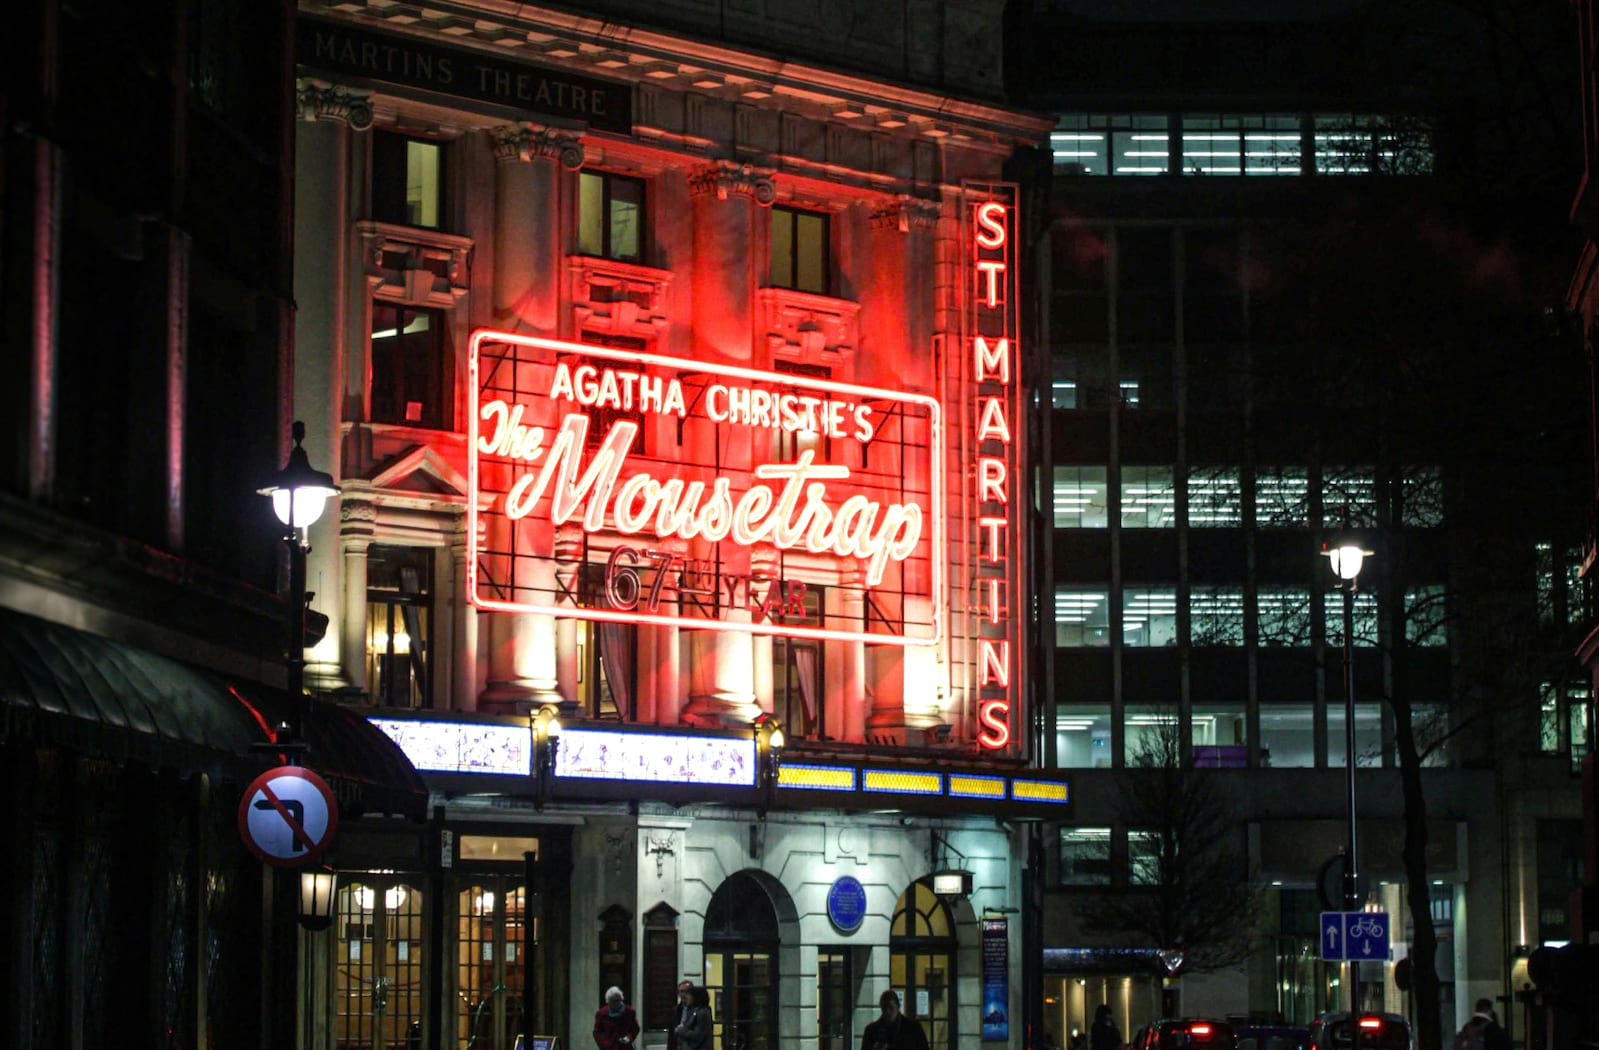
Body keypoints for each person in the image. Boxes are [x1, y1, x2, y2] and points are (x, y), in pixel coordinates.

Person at [861, 989, 929, 1050]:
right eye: (884, 1007)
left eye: (891, 1007)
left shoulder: (914, 1028)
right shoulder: (871, 1031)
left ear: (898, 1006)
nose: (887, 1011)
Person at [593, 986, 640, 1050]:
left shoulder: (629, 1012)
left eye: (618, 1000)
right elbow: (597, 1032)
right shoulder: (601, 1014)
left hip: (625, 1047)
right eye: (613, 1001)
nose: (617, 1003)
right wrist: (604, 1044)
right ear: (608, 1001)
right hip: (609, 1047)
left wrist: (629, 1038)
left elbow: (635, 1028)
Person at [674, 985, 714, 1050]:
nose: (686, 997)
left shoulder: (702, 1013)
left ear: (696, 997)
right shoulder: (694, 1011)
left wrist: (680, 1030)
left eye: (689, 995)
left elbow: (697, 1035)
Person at [666, 980, 694, 1050]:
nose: (684, 994)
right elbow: (671, 1035)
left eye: (686, 991)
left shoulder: (698, 1010)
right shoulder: (675, 1010)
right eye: (681, 991)